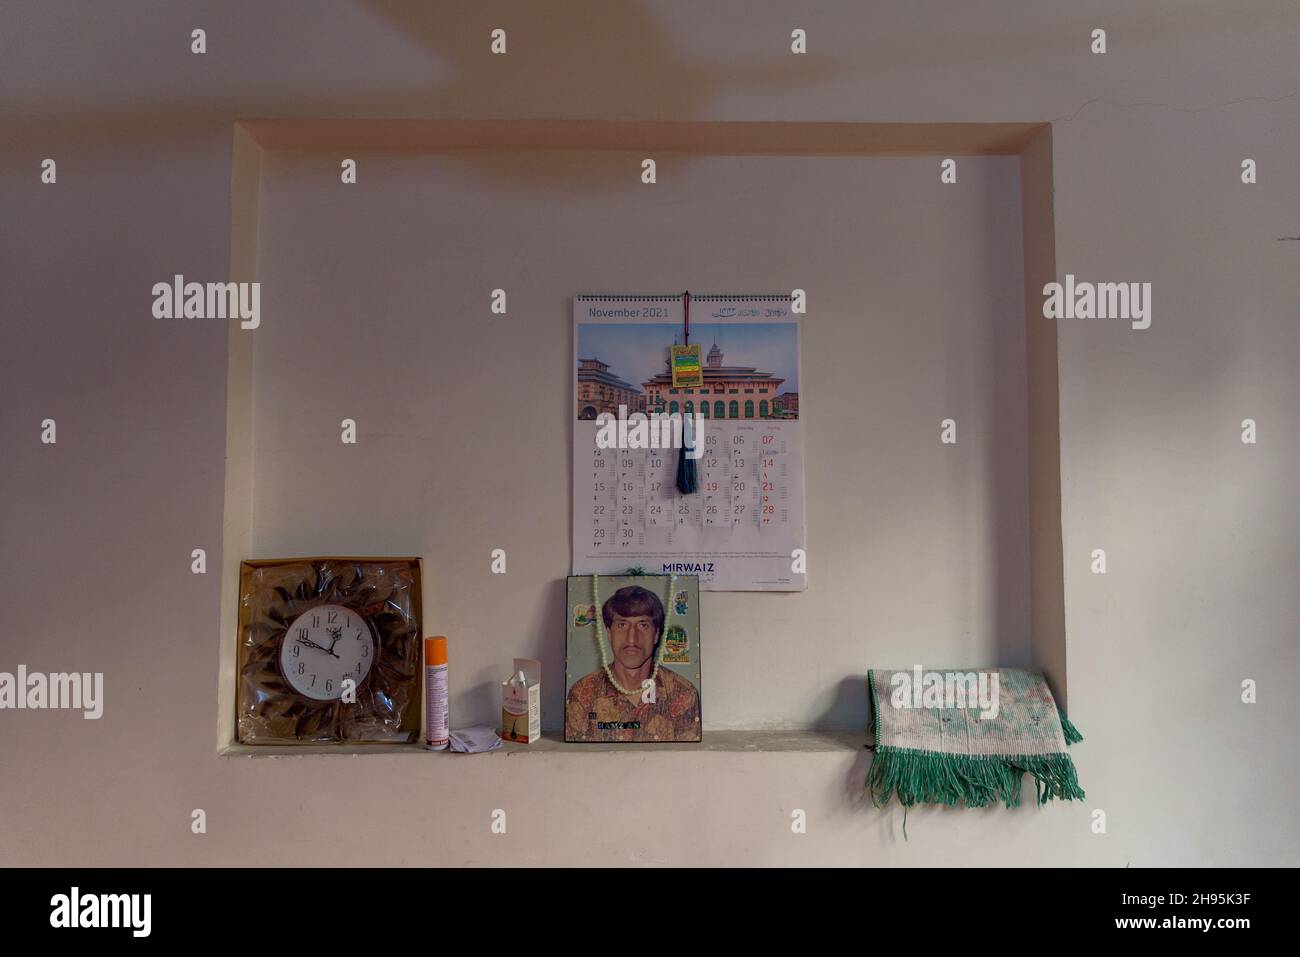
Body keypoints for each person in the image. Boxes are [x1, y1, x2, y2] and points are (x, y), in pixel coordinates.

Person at [566, 584, 701, 742]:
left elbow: (686, 762)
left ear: (656, 635)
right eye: (622, 625)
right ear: (609, 634)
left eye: (643, 625)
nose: (632, 638)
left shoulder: (682, 693)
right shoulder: (583, 694)